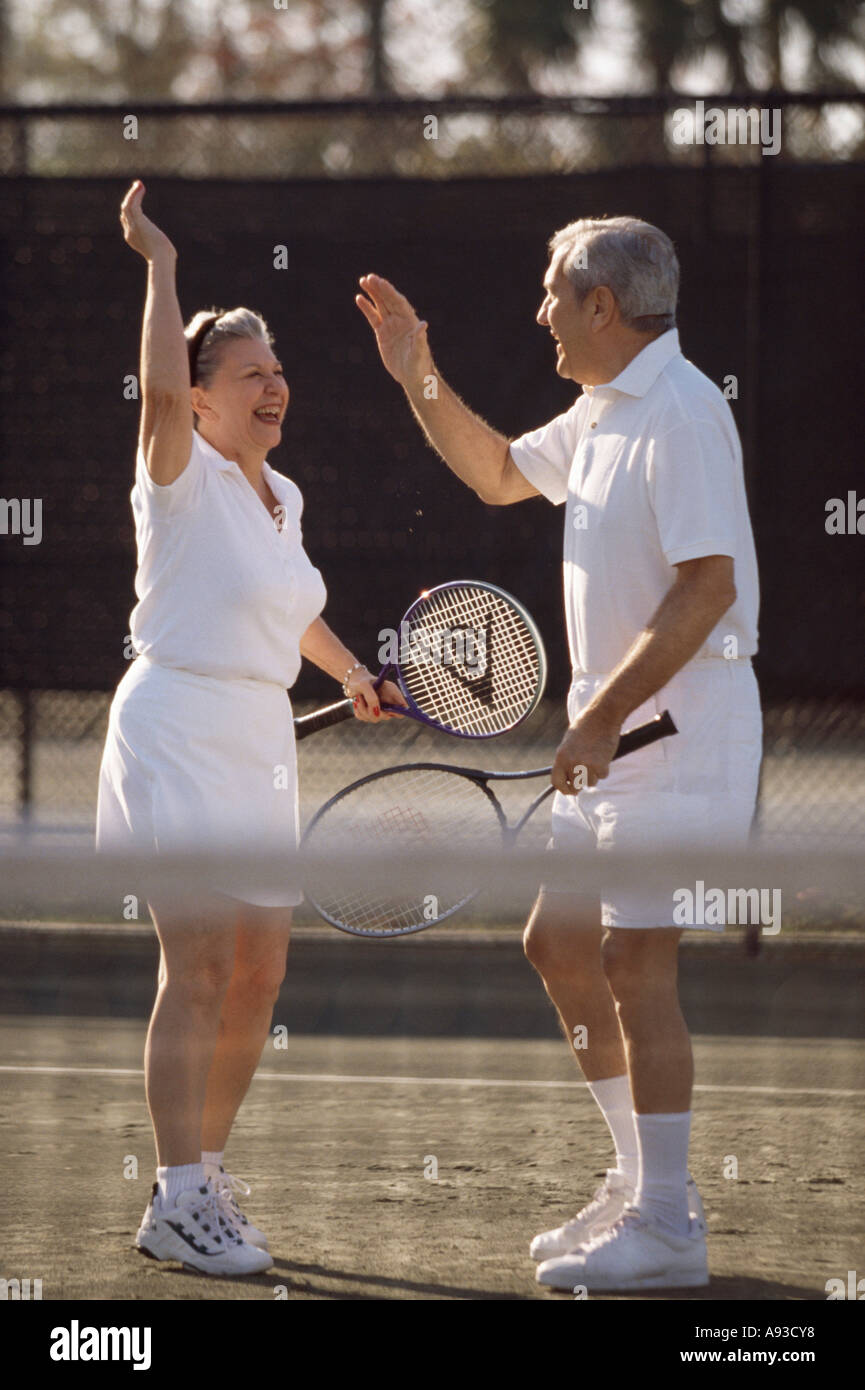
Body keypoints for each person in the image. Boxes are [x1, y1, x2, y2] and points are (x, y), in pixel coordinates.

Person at [356, 215, 761, 1293]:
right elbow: (492, 472)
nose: (538, 311)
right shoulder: (600, 413)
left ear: (602, 305)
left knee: (636, 960)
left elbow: (707, 587)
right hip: (617, 732)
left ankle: (670, 1222)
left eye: (552, 293)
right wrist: (417, 373)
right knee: (558, 943)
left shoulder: (680, 412)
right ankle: (644, 1187)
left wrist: (599, 715)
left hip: (679, 735)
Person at [97, 180, 406, 1277]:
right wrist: (159, 264)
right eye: (249, 373)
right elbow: (154, 391)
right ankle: (176, 1194)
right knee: (200, 957)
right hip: (175, 724)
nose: (274, 385)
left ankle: (203, 1171)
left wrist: (354, 672)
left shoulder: (288, 499)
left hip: (258, 735)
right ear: (201, 396)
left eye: (279, 370)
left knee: (261, 968)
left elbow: (295, 610)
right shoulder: (175, 476)